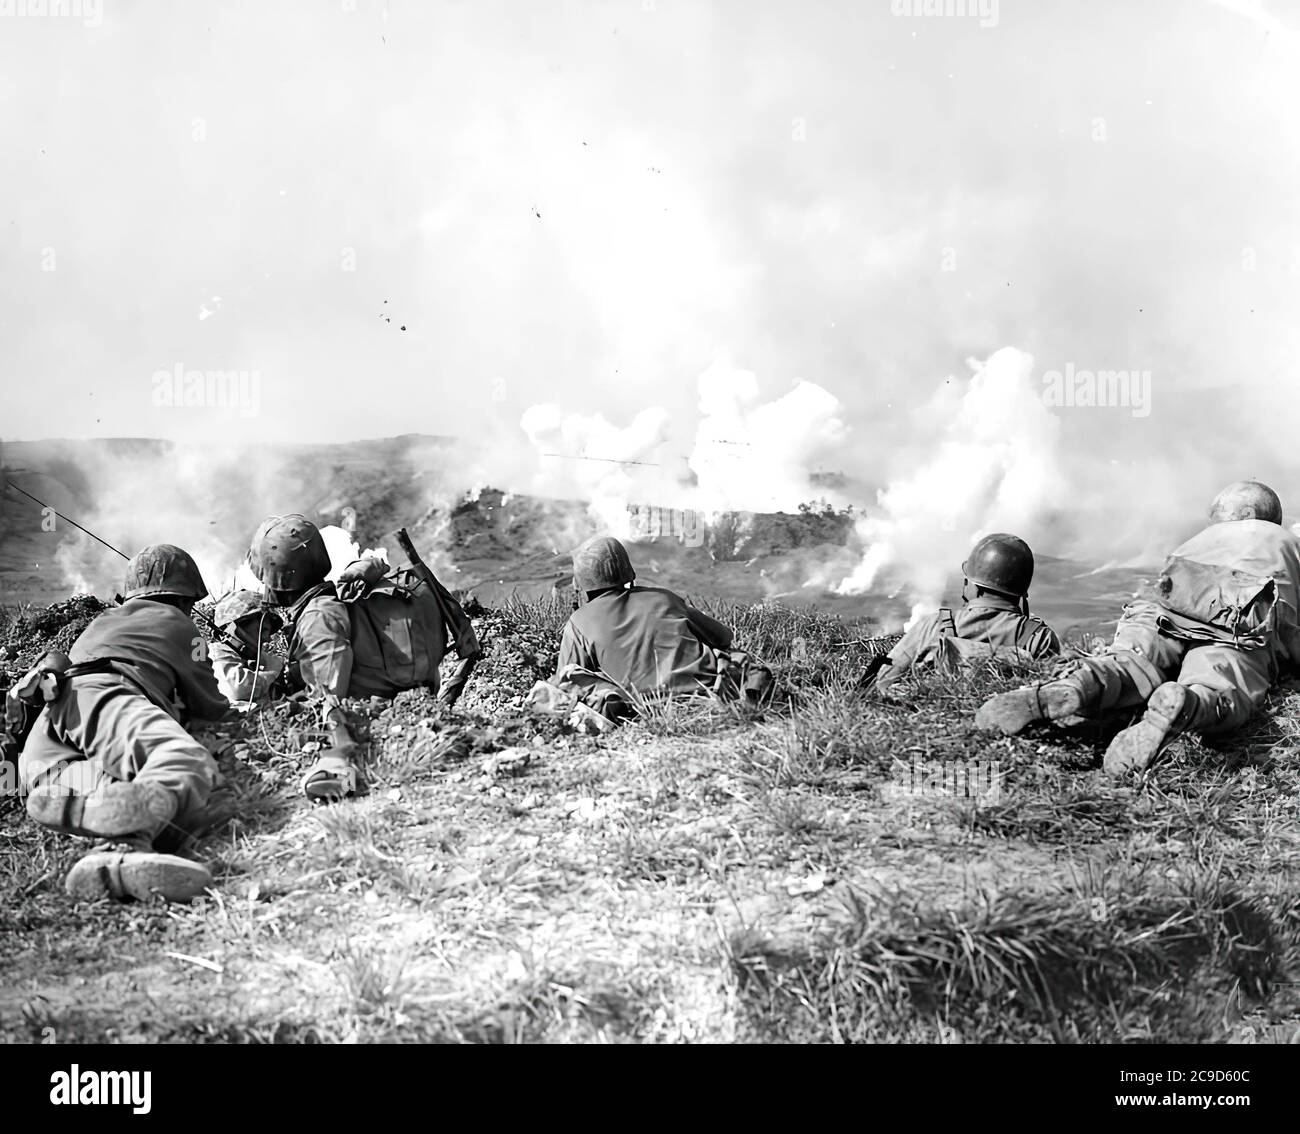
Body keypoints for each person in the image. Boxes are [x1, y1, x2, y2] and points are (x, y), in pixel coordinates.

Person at [976, 481, 1300, 775]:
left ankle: (1078, 683)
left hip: (1162, 608)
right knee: (1220, 683)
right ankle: (1188, 704)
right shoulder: (1288, 544)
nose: (1213, 523)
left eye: (1218, 514)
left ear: (1246, 512)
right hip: (1235, 619)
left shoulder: (1197, 542)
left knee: (1129, 663)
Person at [19, 544, 230, 903]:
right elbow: (211, 706)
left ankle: (118, 859)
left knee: (139, 797)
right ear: (184, 598)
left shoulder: (101, 622)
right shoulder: (179, 623)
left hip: (46, 748)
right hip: (105, 698)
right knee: (185, 764)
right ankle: (127, 830)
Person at [246, 514, 451, 800]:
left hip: (371, 711)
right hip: (408, 694)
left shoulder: (318, 617)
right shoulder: (333, 599)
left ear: (277, 579)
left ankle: (341, 776)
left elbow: (327, 696)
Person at [543, 535, 771, 721]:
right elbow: (723, 637)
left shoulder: (579, 622)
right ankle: (750, 699)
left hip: (646, 705)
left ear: (580, 583)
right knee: (738, 659)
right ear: (627, 572)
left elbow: (565, 679)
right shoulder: (664, 598)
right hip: (710, 690)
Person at [862, 533, 1061, 693]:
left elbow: (882, 682)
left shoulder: (934, 624)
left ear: (973, 586)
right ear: (1021, 592)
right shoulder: (1039, 637)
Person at [207, 589, 286, 706]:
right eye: (262, 630)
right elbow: (237, 688)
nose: (267, 638)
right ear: (237, 626)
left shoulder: (255, 654)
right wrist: (274, 674)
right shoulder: (214, 655)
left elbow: (281, 665)